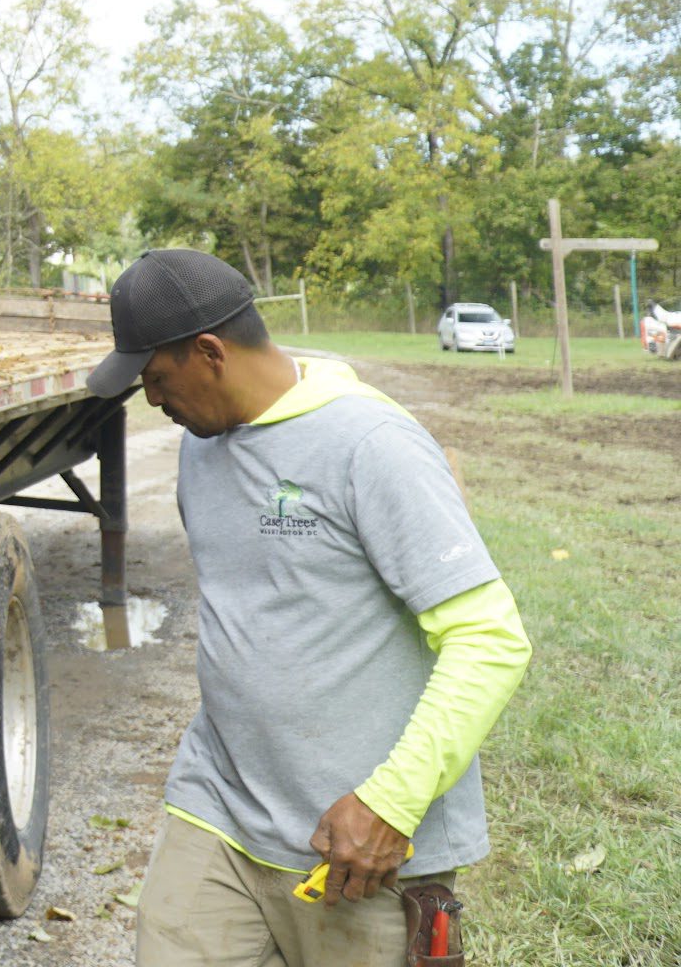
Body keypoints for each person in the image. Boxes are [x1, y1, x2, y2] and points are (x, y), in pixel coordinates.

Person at [90, 248, 531, 967]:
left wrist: (390, 803)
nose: (152, 402)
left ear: (209, 352)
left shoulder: (371, 444)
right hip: (219, 811)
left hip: (357, 846)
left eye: (156, 379)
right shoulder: (201, 448)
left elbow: (490, 640)